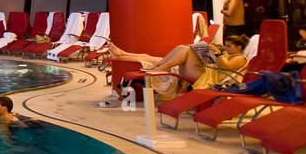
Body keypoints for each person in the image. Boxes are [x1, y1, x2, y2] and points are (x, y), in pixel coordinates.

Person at [97, 35, 249, 106]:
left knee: (184, 50)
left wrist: (217, 52)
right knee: (158, 56)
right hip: (203, 71)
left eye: (229, 46)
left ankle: (159, 68)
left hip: (207, 78)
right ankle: (123, 55)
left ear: (239, 47)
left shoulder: (241, 58)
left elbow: (225, 67)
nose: (227, 48)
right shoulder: (230, 55)